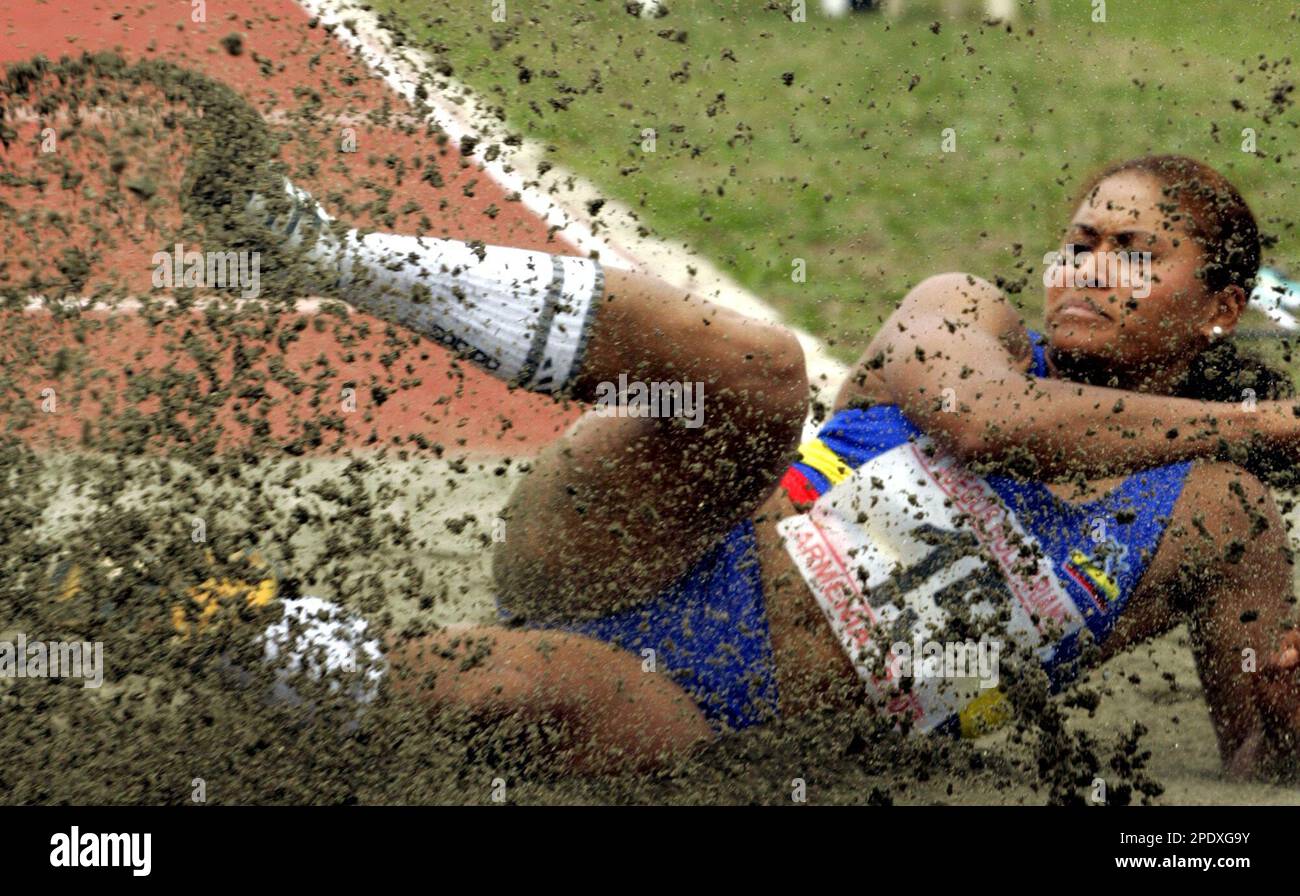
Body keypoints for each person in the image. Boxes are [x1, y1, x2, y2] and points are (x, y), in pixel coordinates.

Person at [225, 154, 1300, 780]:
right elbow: (985, 423)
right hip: (635, 549)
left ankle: (204, 624)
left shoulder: (1224, 518)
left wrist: (1288, 705)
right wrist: (1264, 424)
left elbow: (1258, 755)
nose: (1086, 267)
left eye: (1133, 252)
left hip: (713, 722)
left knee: (513, 678)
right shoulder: (962, 312)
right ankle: (326, 253)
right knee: (758, 367)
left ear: (1217, 310)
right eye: (1082, 236)